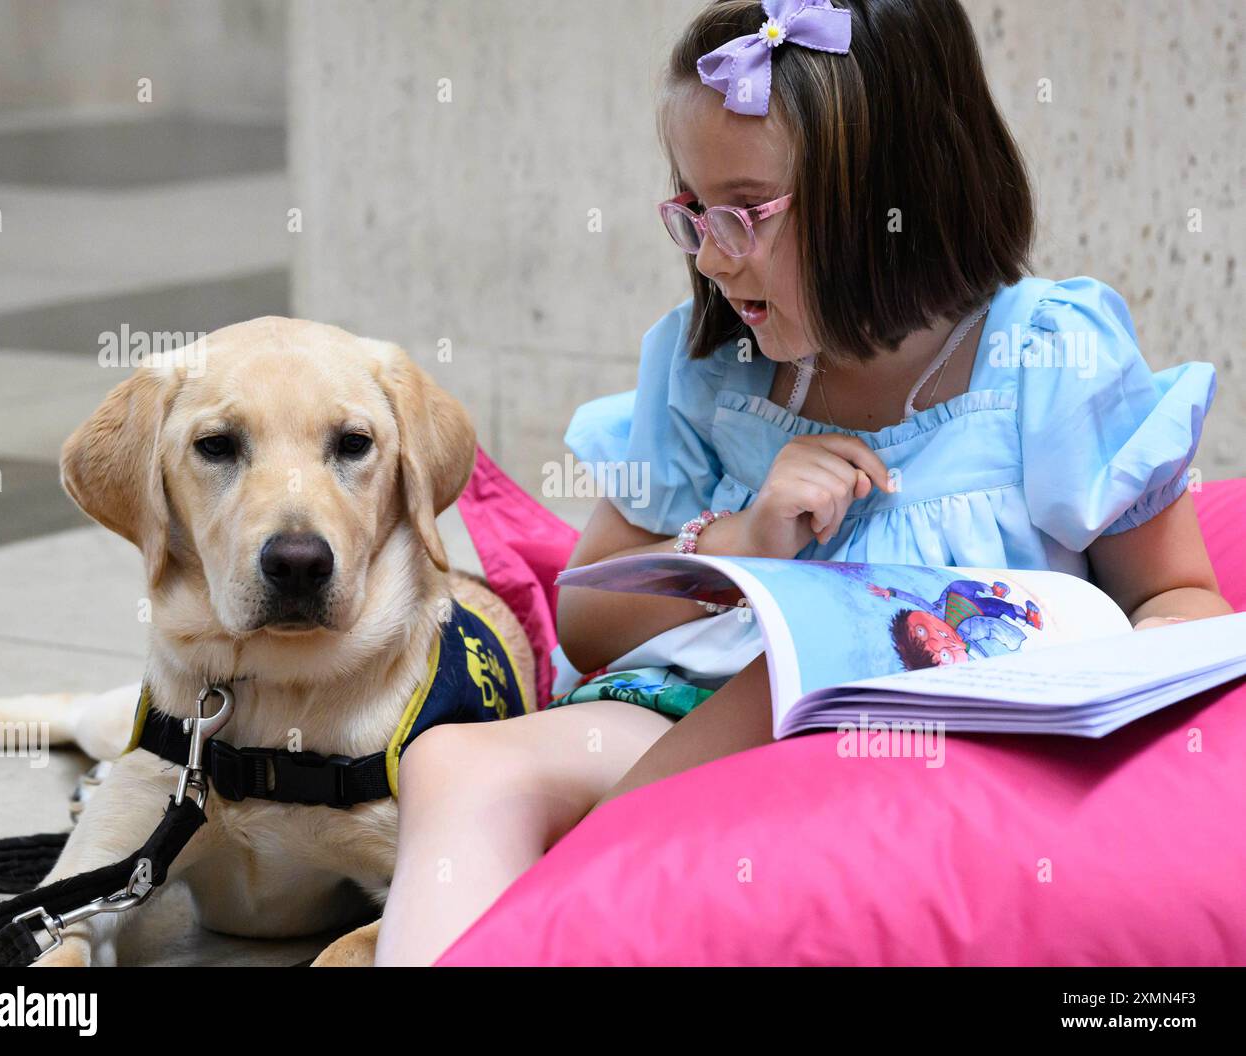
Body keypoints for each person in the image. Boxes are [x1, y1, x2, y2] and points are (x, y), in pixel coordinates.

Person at [374, 0, 1229, 966]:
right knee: (456, 761)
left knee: (766, 703)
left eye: (744, 212)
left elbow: (1178, 592)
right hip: (675, 711)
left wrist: (1123, 662)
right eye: (693, 211)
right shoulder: (710, 372)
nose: (709, 254)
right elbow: (582, 616)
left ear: (896, 195)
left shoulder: (1049, 359)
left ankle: (582, 882)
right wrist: (736, 542)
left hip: (932, 757)